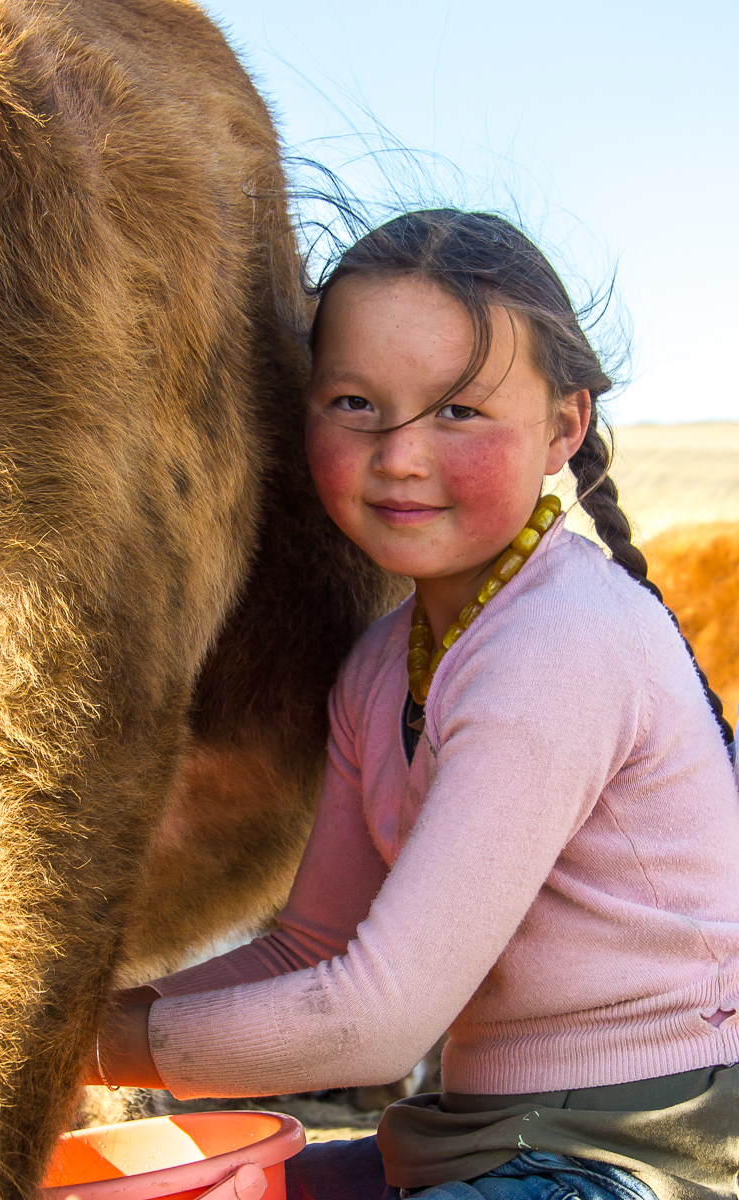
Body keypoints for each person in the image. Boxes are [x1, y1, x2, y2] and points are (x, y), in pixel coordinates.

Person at [88, 210, 739, 1200]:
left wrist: (65, 1042)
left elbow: (375, 1022)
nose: (397, 455)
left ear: (564, 425)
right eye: (354, 402)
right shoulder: (384, 665)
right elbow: (311, 946)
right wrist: (86, 1016)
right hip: (487, 1142)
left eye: (457, 412)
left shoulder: (555, 642)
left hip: (635, 1161)